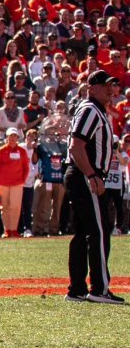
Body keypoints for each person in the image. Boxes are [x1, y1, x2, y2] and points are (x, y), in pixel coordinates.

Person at [65, 70, 123, 304]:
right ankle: (99, 288)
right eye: (104, 85)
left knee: (82, 232)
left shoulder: (95, 110)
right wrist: (91, 174)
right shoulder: (90, 110)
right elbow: (76, 145)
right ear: (91, 87)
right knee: (98, 231)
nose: (110, 89)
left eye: (112, 85)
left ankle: (77, 289)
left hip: (83, 175)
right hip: (84, 175)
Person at [0, 128, 31, 238]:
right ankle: (7, 230)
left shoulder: (22, 151)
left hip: (17, 183)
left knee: (16, 206)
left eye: (14, 136)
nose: (12, 138)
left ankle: (14, 229)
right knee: (5, 207)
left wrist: (22, 180)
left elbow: (26, 168)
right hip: (2, 183)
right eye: (10, 136)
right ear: (7, 137)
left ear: (17, 138)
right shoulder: (1, 151)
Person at [33, 120, 67, 236]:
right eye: (50, 132)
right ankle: (42, 228)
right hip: (47, 179)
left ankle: (54, 229)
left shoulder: (62, 146)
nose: (52, 134)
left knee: (57, 207)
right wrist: (34, 150)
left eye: (54, 132)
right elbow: (34, 161)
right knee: (45, 207)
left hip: (59, 180)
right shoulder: (41, 146)